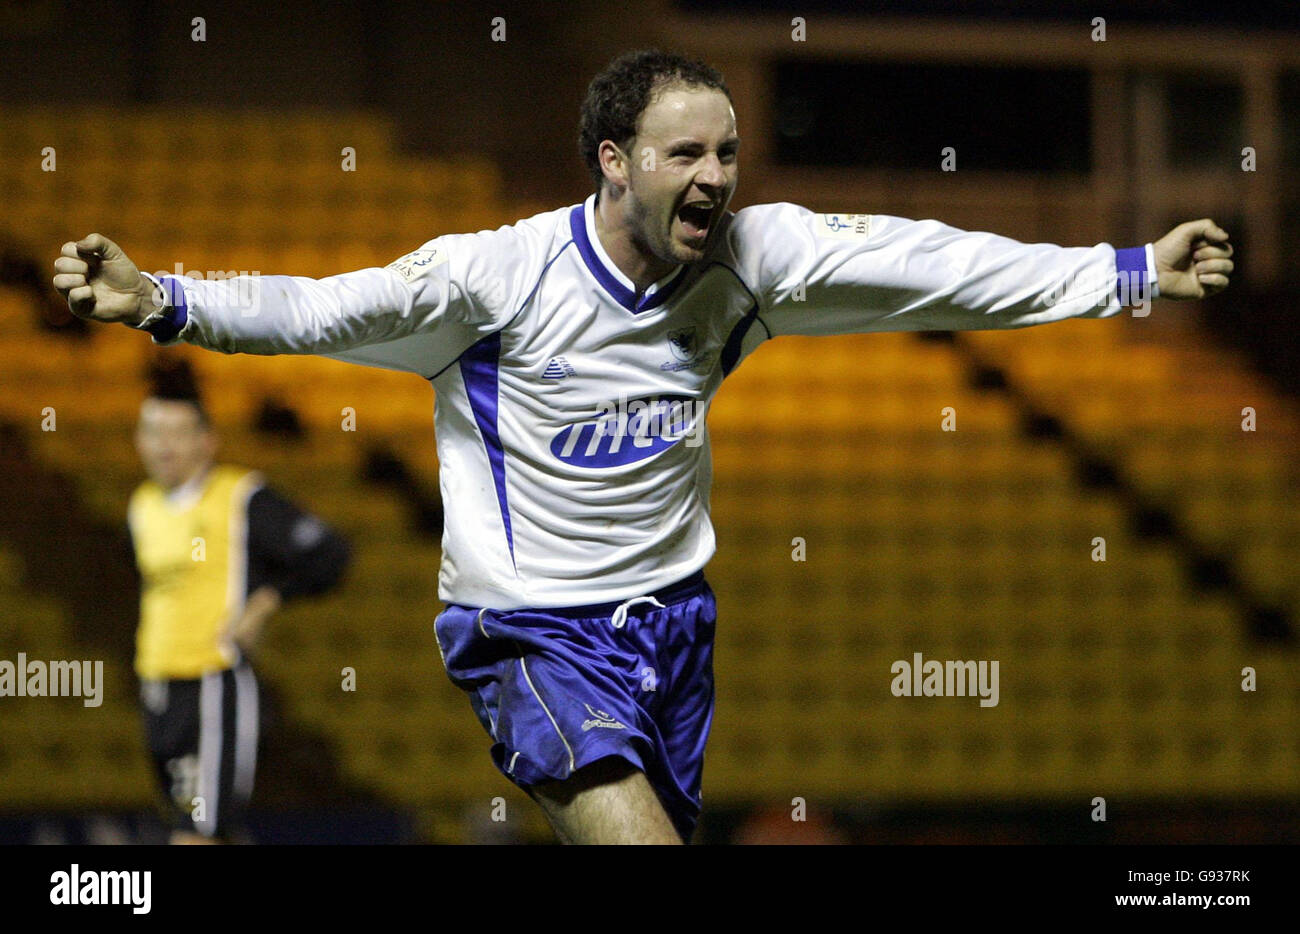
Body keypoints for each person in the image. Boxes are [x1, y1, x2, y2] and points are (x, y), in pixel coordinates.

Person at [53, 49, 1233, 844]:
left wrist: (1125, 272)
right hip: (530, 629)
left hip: (673, 623)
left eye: (726, 153)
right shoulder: (496, 280)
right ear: (613, 162)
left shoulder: (748, 263)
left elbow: (926, 262)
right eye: (687, 156)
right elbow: (321, 311)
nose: (717, 177)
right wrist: (163, 298)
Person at [128, 360, 350, 843]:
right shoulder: (142, 504)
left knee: (195, 832)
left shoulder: (240, 497)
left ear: (207, 441)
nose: (162, 446)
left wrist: (266, 601)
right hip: (157, 687)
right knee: (210, 829)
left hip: (211, 684)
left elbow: (328, 552)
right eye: (150, 432)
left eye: (176, 433)